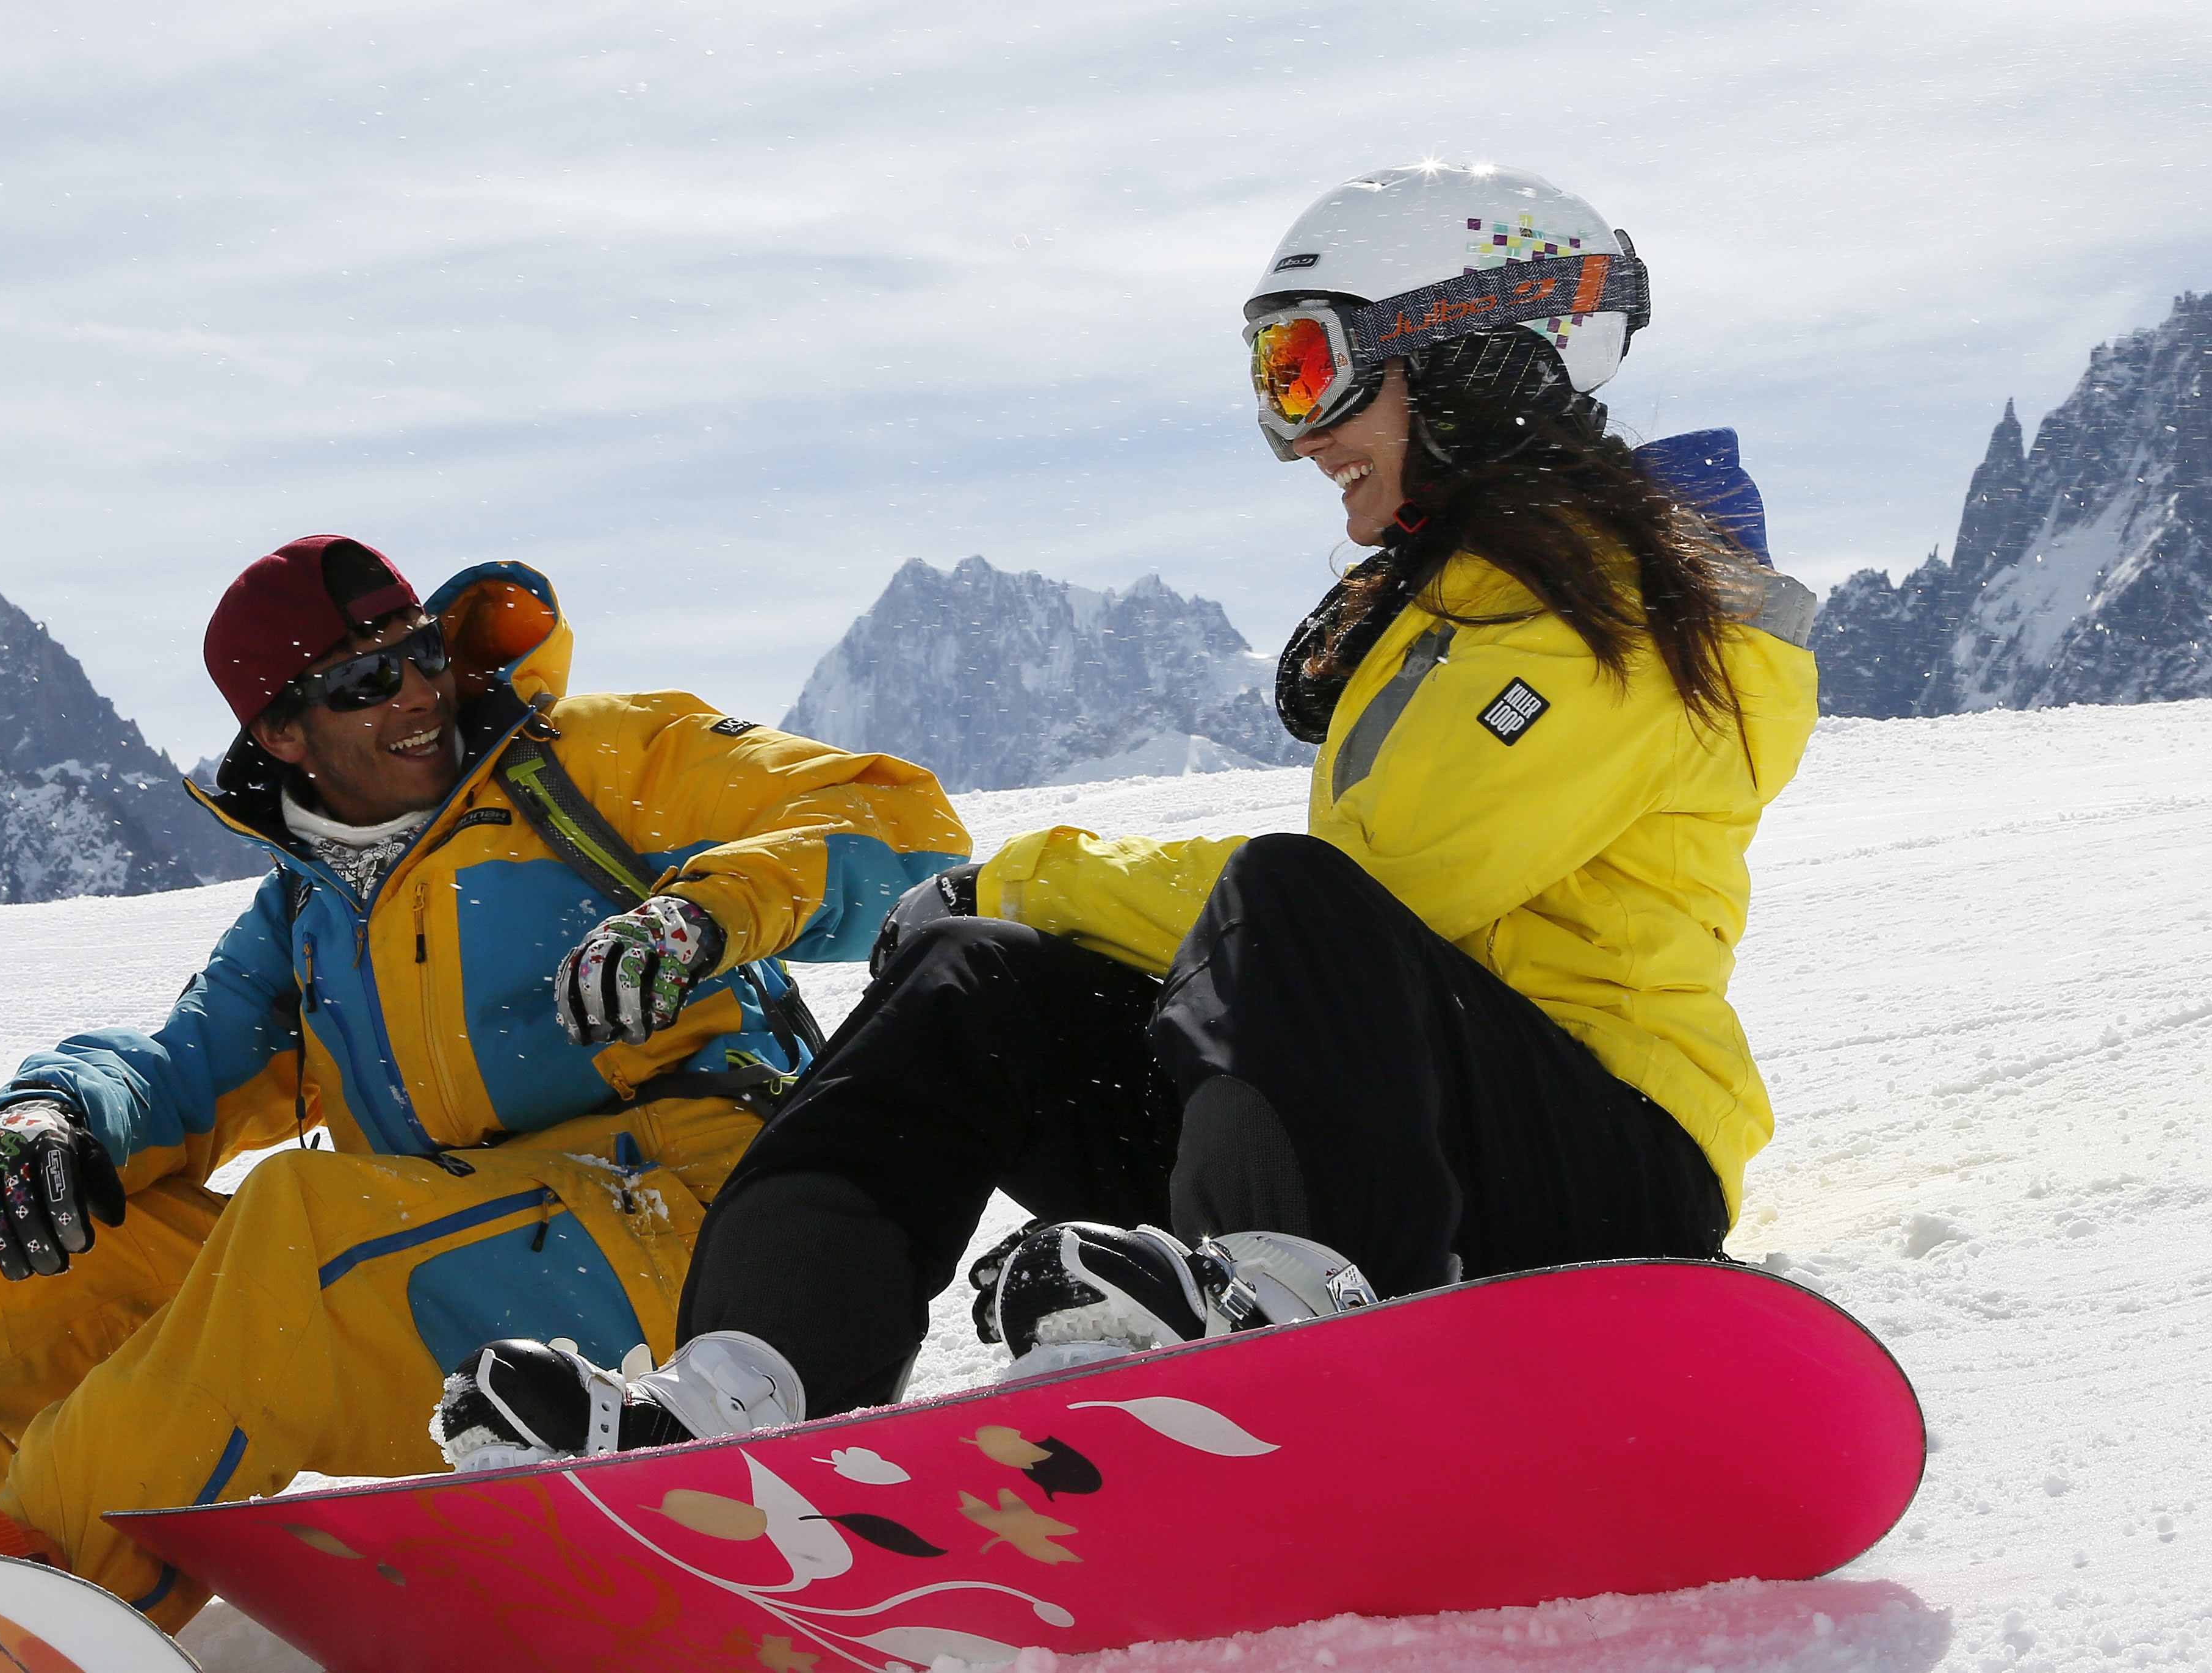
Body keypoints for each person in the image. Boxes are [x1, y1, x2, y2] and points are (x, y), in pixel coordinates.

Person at [428, 162, 1823, 1464]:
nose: (1297, 433)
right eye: (1274, 377)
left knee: (1286, 896)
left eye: (1313, 368)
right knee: (983, 993)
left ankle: (1301, 1315)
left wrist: (1024, 876)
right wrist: (998, 924)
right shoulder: (1448, 606)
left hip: (1602, 1173)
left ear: (1477, 359)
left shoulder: (1634, 622)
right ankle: (753, 1388)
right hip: (1399, 1157)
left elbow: (1387, 889)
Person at [0, 537, 967, 1624]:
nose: (420, 693)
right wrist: (54, 1113)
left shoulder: (587, 764)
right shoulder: (310, 913)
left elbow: (905, 824)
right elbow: (179, 1072)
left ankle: (39, 1590)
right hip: (467, 1268)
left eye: (423, 654)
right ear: (281, 732)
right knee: (84, 1244)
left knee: (296, 1228)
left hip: (710, 1243)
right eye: (366, 682)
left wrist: (706, 914)